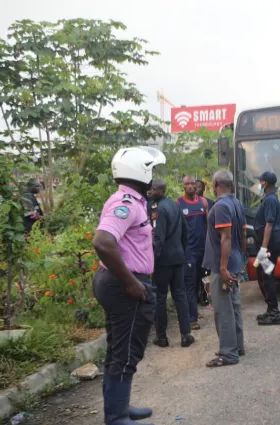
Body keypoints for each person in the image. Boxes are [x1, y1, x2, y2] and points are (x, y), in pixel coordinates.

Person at [91, 146, 166, 425]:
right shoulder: (125, 202)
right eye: (151, 169)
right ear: (141, 171)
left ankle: (119, 407)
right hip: (123, 284)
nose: (153, 176)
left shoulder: (130, 200)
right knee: (125, 351)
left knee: (118, 349)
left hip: (118, 281)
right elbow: (102, 241)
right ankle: (117, 416)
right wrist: (131, 283)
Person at [203, 170, 247, 367]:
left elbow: (226, 237)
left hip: (224, 265)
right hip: (234, 261)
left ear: (215, 184)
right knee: (234, 306)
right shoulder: (236, 203)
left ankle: (228, 354)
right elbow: (243, 236)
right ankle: (237, 346)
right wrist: (241, 260)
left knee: (223, 310)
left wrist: (222, 268)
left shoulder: (221, 206)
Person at [147, 180, 195, 348]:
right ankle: (186, 335)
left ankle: (162, 337)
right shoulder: (175, 205)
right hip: (178, 258)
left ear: (161, 190)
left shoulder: (158, 209)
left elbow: (158, 238)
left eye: (153, 189)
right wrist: (181, 251)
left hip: (163, 260)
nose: (150, 191)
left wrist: (152, 259)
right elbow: (185, 231)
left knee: (160, 297)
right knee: (180, 295)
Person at [177, 176, 211, 329]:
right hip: (188, 251)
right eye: (187, 184)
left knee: (202, 281)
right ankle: (192, 319)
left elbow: (209, 226)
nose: (190, 186)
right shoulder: (178, 204)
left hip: (203, 249)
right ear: (183, 186)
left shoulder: (203, 202)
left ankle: (198, 308)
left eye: (192, 184)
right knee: (189, 284)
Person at [254, 171, 280, 326]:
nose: (259, 184)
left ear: (265, 183)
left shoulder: (270, 200)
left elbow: (269, 225)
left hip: (270, 242)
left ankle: (274, 312)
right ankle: (271, 309)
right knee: (263, 274)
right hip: (269, 242)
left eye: (260, 181)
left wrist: (263, 248)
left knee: (265, 276)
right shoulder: (268, 199)